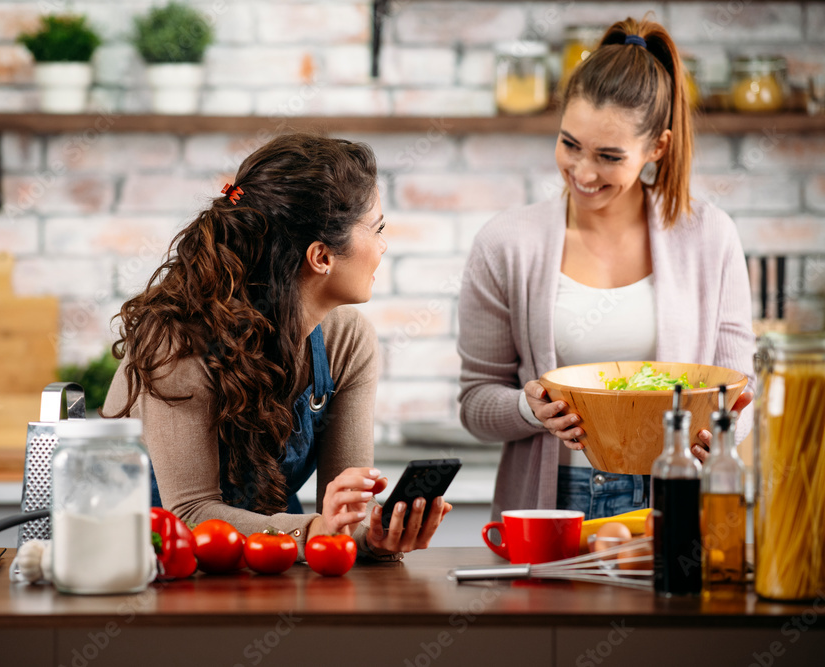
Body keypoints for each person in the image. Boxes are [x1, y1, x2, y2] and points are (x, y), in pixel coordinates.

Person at [457, 17, 756, 521]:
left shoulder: (710, 235)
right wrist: (531, 410)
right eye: (569, 144)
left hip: (674, 496)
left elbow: (738, 388)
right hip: (554, 505)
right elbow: (475, 404)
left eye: (609, 156)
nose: (583, 172)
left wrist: (718, 435)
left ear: (656, 148)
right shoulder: (505, 243)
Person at [104, 133, 451, 560]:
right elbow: (191, 515)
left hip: (273, 557)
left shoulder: (348, 342)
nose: (383, 246)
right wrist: (318, 529)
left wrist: (372, 536)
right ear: (321, 257)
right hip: (143, 562)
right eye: (377, 228)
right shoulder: (177, 344)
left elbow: (341, 514)